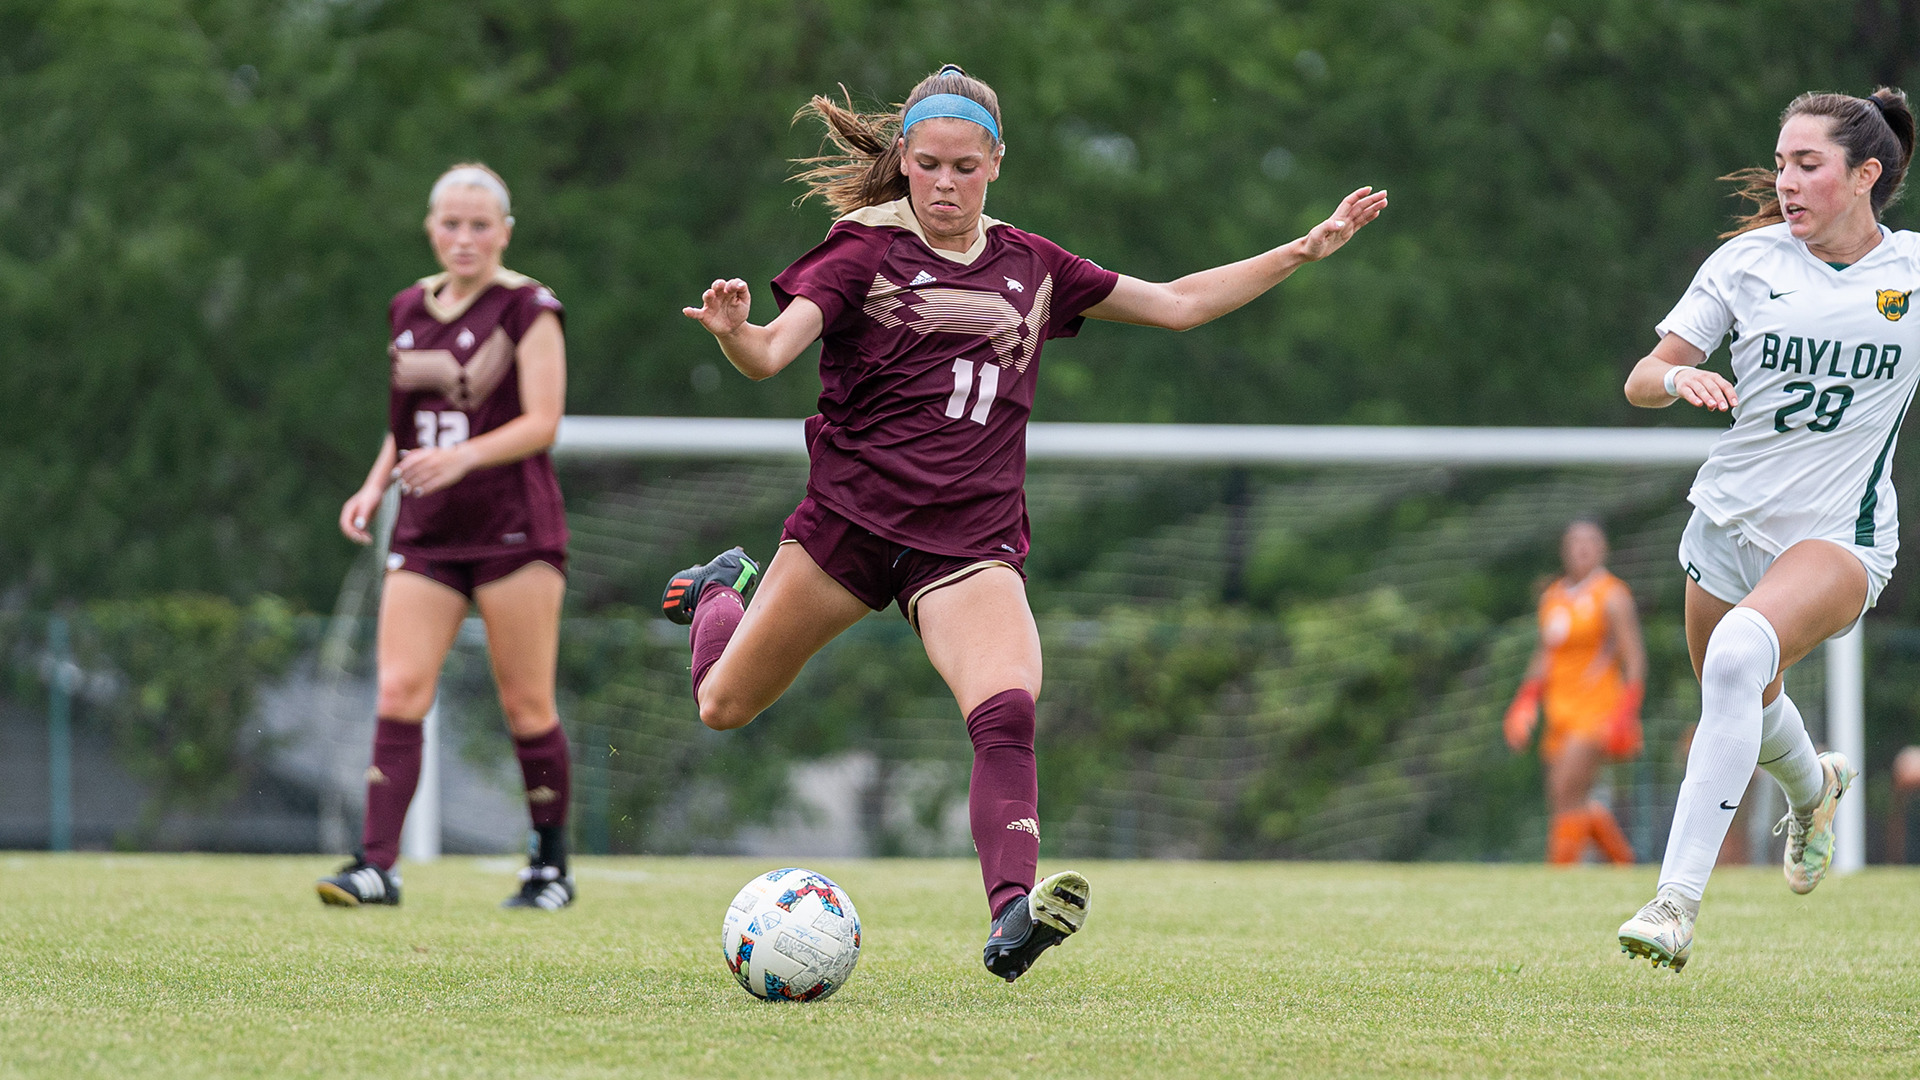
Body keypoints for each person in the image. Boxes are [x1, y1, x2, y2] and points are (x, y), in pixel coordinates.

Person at [666, 65, 1386, 982]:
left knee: (1005, 709)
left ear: (996, 162)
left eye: (965, 166)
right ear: (904, 161)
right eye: (927, 165)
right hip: (846, 529)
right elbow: (769, 356)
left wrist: (1303, 249)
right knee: (722, 706)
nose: (944, 184)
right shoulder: (858, 254)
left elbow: (1178, 305)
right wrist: (732, 331)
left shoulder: (1032, 266)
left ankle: (1013, 915)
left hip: (967, 545)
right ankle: (718, 600)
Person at [1615, 88, 1916, 970]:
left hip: (1840, 535)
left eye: (1807, 164)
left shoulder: (1912, 274)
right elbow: (1643, 375)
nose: (1785, 180)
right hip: (1726, 525)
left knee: (1743, 659)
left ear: (1866, 174)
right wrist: (1677, 383)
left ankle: (1674, 905)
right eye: (1781, 162)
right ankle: (1814, 787)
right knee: (1743, 688)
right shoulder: (1747, 262)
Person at [316, 163, 577, 911]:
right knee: (399, 688)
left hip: (514, 530)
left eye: (480, 224)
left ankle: (548, 867)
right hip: (428, 533)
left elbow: (543, 421)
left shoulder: (530, 308)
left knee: (526, 702)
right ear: (431, 228)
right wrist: (375, 485)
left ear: (504, 231)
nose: (465, 238)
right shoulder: (407, 306)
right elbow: (406, 430)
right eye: (451, 224)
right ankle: (375, 866)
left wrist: (461, 455)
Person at [1505, 520, 1646, 865]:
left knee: (1563, 789)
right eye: (1575, 542)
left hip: (1597, 708)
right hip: (1560, 711)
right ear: (1564, 550)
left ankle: (1558, 873)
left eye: (1590, 542)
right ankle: (1622, 862)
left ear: (1602, 549)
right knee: (1570, 798)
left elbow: (1635, 659)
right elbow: (1544, 656)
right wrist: (1524, 702)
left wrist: (1626, 714)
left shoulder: (1612, 595)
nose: (1582, 548)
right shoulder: (1552, 597)